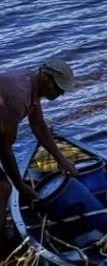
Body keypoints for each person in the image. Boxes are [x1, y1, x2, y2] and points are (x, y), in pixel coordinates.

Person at [0, 58, 80, 213]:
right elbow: (4, 148)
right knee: (3, 189)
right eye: (58, 88)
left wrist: (61, 160)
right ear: (45, 77)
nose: (60, 93)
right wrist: (21, 186)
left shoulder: (31, 84)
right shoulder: (17, 98)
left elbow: (39, 126)